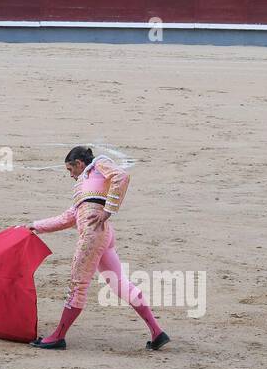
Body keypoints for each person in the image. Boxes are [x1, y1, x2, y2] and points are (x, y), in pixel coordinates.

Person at [28, 146, 168, 352]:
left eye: (70, 169)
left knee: (78, 285)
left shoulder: (98, 165)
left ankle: (58, 336)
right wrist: (35, 226)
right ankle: (157, 332)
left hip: (93, 235)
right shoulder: (85, 186)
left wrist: (108, 211)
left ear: (79, 163)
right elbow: (69, 217)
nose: (71, 175)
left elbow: (122, 176)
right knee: (120, 284)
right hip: (102, 235)